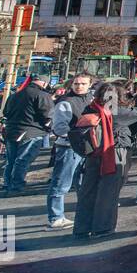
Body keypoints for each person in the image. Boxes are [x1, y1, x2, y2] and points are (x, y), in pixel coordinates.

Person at [69, 82, 137, 238]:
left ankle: (82, 228)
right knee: (108, 192)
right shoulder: (114, 111)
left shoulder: (91, 107)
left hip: (93, 153)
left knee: (88, 191)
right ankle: (103, 228)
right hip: (114, 152)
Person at [48, 72, 93, 228]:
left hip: (84, 147)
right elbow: (59, 127)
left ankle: (85, 209)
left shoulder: (90, 99)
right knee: (61, 183)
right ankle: (55, 217)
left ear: (90, 85)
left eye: (83, 84)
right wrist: (77, 135)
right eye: (76, 84)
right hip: (68, 147)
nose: (79, 86)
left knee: (81, 181)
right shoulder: (66, 102)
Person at [1, 73, 54, 192]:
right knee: (23, 159)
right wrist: (50, 128)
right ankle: (17, 185)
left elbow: (6, 112)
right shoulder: (42, 95)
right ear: (44, 83)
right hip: (31, 132)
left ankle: (7, 183)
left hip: (11, 131)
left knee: (11, 160)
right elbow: (48, 115)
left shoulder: (15, 95)